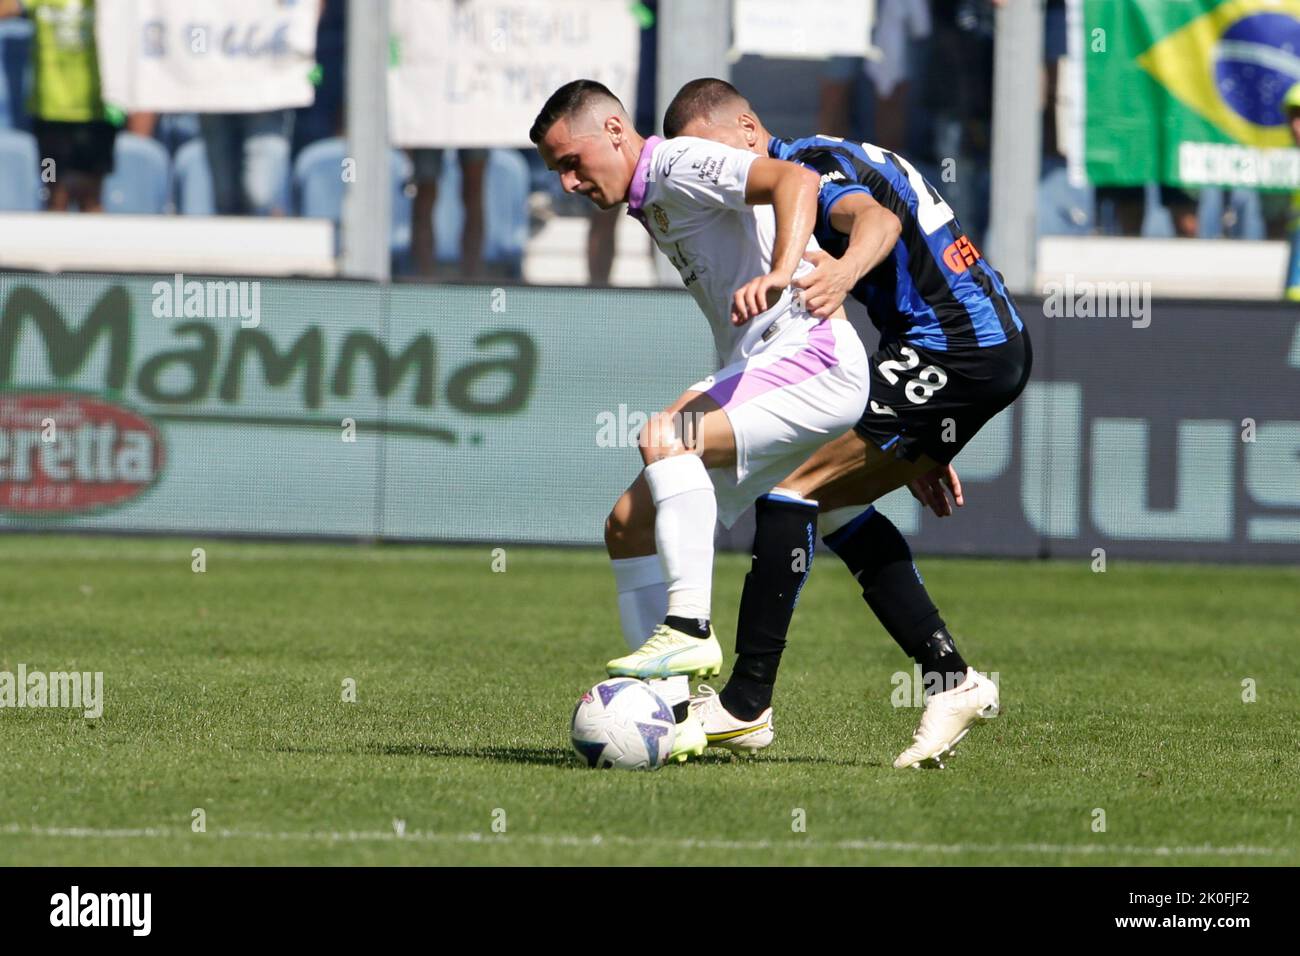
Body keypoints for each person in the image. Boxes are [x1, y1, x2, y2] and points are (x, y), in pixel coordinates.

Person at [646, 78, 1032, 769]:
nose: (715, 179)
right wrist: (918, 437)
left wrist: (844, 273)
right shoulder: (827, 160)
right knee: (829, 508)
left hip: (959, 347)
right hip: (957, 349)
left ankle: (745, 704)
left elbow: (876, 225)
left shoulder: (815, 168)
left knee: (789, 487)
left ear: (748, 129)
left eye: (712, 154)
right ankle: (952, 680)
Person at [530, 79, 870, 763]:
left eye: (572, 161)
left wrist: (779, 275)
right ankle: (675, 712)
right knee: (628, 525)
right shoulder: (649, 197)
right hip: (769, 364)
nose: (567, 182)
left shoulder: (677, 162)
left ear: (617, 132)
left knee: (664, 439)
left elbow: (795, 180)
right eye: (555, 171)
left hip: (811, 354)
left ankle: (687, 627)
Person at [1, 0, 115, 212]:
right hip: (50, 115)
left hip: (98, 112)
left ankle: (96, 244)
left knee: (91, 197)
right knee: (53, 192)